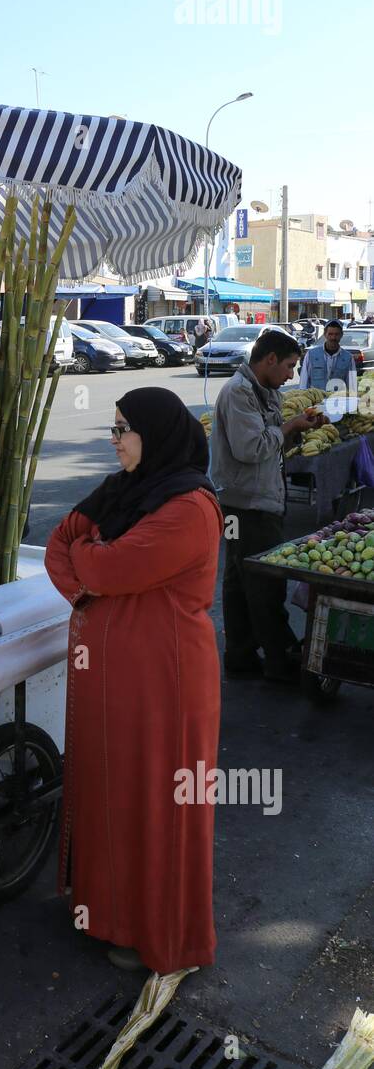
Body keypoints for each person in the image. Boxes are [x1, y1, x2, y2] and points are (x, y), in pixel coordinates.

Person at [45, 388, 223, 974]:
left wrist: (89, 560)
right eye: (112, 428)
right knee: (108, 797)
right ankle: (107, 919)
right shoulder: (122, 490)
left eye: (124, 429)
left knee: (158, 806)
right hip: (111, 684)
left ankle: (163, 938)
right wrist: (87, 570)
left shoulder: (190, 507)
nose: (115, 440)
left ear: (158, 434)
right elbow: (57, 546)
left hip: (165, 687)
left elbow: (108, 566)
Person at [210, 328, 318, 682]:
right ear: (269, 359)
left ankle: (240, 655)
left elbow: (271, 446)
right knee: (263, 583)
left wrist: (297, 429)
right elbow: (251, 448)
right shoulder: (239, 393)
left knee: (241, 579)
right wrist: (288, 427)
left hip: (252, 499)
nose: (291, 375)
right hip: (245, 506)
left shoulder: (264, 391)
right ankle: (278, 659)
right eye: (288, 366)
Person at [298, 319, 356, 396]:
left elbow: (352, 385)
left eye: (336, 334)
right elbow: (304, 381)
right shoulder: (311, 354)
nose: (333, 337)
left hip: (338, 402)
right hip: (316, 403)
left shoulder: (348, 358)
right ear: (325, 334)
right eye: (330, 334)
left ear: (341, 335)